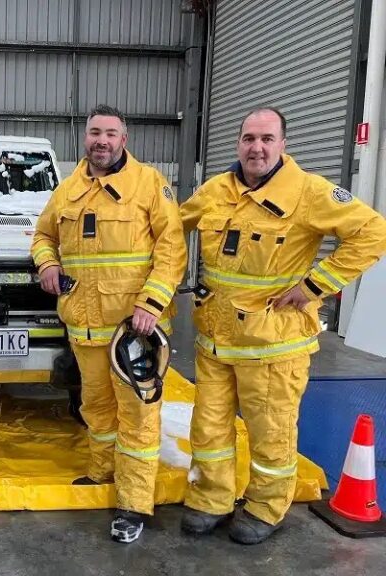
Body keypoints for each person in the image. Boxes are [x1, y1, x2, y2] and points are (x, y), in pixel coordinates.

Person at [179, 107, 386, 544]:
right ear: (238, 143)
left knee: (270, 433)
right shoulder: (217, 190)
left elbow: (372, 232)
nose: (257, 147)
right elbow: (170, 224)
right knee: (209, 427)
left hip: (272, 347)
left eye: (266, 139)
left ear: (282, 145)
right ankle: (212, 498)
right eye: (249, 138)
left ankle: (265, 507)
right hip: (215, 341)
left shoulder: (308, 193)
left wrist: (315, 285)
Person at [31, 105, 187, 543]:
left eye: (110, 133)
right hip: (84, 329)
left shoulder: (150, 185)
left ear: (125, 138)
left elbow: (172, 250)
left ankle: (133, 504)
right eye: (95, 132)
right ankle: (102, 477)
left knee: (137, 417)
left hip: (134, 332)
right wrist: (47, 263)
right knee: (96, 411)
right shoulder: (66, 190)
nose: (102, 140)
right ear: (85, 138)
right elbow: (43, 235)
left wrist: (152, 303)